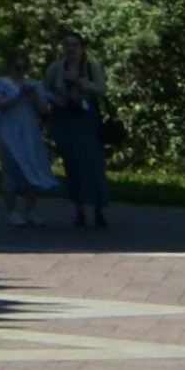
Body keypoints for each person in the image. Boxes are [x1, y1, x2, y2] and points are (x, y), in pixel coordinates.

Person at [47, 39, 113, 233]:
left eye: (75, 45)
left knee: (92, 163)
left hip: (87, 118)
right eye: (67, 45)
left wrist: (79, 82)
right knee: (72, 163)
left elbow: (101, 90)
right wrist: (55, 99)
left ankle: (99, 211)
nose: (71, 49)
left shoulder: (91, 68)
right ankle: (79, 212)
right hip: (65, 118)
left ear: (82, 48)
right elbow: (46, 89)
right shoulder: (55, 68)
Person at [0, 56, 56, 229]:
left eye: (24, 67)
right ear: (10, 67)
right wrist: (19, 95)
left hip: (29, 131)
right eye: (17, 67)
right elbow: (0, 104)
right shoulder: (1, 83)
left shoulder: (34, 84)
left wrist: (33, 96)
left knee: (34, 167)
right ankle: (12, 212)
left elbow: (44, 110)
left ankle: (30, 210)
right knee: (11, 169)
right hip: (8, 131)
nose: (20, 70)